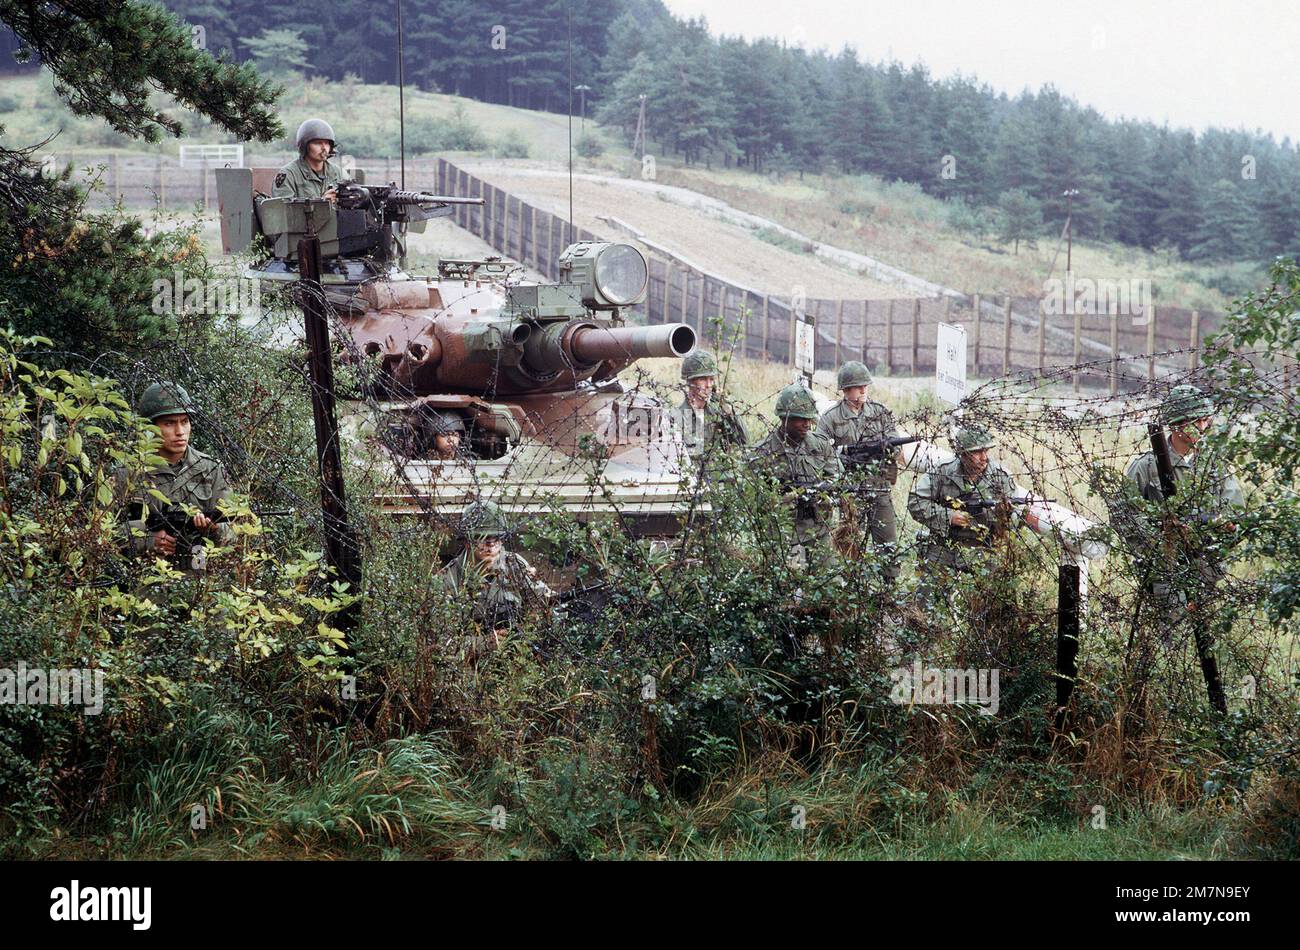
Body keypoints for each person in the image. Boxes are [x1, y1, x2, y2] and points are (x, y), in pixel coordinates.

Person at [1116, 385, 1243, 713]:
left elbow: (1234, 515)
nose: (1204, 427)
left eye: (1206, 420)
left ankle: (1211, 706)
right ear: (1177, 425)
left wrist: (1215, 535)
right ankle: (1173, 709)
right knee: (1175, 643)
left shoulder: (1214, 465)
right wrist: (1161, 544)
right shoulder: (1146, 468)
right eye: (1197, 421)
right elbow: (1123, 516)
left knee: (1209, 642)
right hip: (1166, 572)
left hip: (1205, 570)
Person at [115, 381, 233, 571]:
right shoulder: (130, 472)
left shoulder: (210, 469)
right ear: (150, 427)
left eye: (184, 422)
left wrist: (214, 530)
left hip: (197, 580)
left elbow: (236, 530)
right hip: (142, 584)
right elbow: (104, 533)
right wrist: (148, 540)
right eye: (169, 423)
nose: (180, 432)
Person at [907, 425, 1039, 588]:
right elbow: (916, 501)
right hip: (943, 545)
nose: (984, 457)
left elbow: (1014, 518)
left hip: (983, 549)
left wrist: (1004, 515)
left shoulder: (1000, 478)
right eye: (977, 452)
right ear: (963, 454)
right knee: (926, 597)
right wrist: (948, 516)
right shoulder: (943, 471)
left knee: (989, 600)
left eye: (986, 451)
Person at [816, 360, 904, 583]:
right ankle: (852, 583)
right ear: (846, 390)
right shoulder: (832, 417)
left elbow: (896, 443)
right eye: (858, 386)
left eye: (866, 385)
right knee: (850, 540)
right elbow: (820, 450)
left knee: (887, 540)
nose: (864, 389)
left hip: (878, 486)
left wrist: (887, 450)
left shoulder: (879, 412)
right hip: (850, 491)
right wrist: (842, 464)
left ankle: (889, 584)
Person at [438, 500, 555, 661]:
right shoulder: (448, 581)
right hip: (470, 668)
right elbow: (443, 644)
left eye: (496, 538)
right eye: (483, 538)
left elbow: (543, 600)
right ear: (467, 542)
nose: (491, 545)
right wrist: (484, 644)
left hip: (515, 660)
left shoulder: (514, 564)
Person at [749, 383, 844, 571]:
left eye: (810, 419)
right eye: (801, 420)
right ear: (785, 419)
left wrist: (822, 492)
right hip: (781, 531)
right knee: (780, 584)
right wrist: (786, 499)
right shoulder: (763, 453)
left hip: (817, 528)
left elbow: (837, 476)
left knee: (830, 580)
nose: (807, 425)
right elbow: (754, 497)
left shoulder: (820, 445)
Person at [669, 350, 748, 471]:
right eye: (703, 379)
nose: (709, 385)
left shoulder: (718, 413)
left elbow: (744, 440)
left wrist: (730, 413)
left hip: (718, 481)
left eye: (711, 379)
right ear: (690, 381)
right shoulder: (677, 417)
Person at [273, 118, 344, 202]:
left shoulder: (337, 172)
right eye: (317, 143)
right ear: (305, 146)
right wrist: (321, 203)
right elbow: (283, 209)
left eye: (327, 143)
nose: (324, 148)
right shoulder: (289, 174)